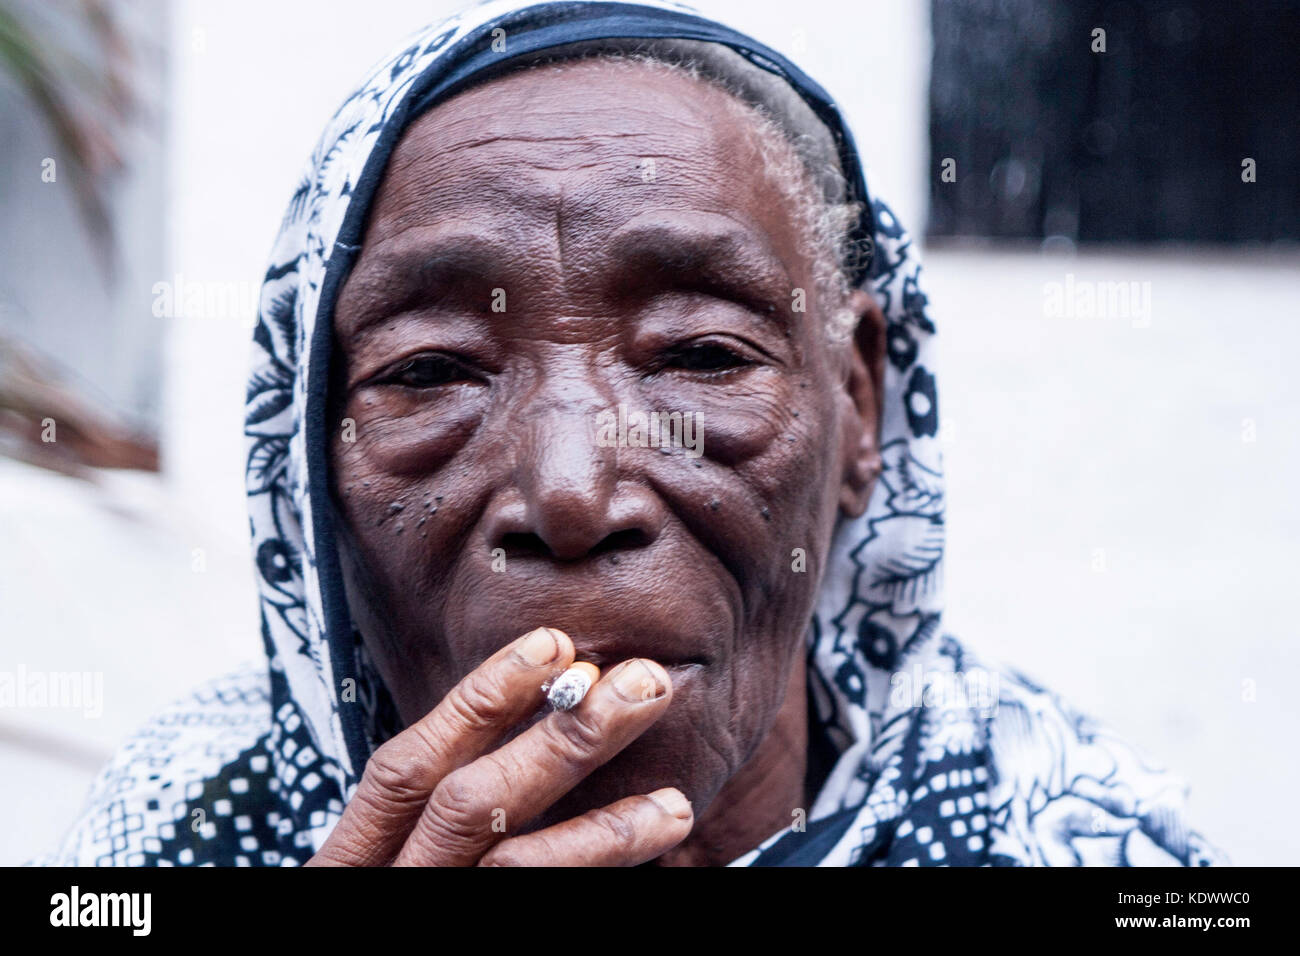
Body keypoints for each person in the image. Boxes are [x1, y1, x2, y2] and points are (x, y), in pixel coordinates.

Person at [41, 0, 1223, 867]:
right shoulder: (169, 834)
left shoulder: (1097, 844)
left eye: (705, 355)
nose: (567, 494)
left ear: (859, 406)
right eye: (433, 371)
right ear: (303, 467)